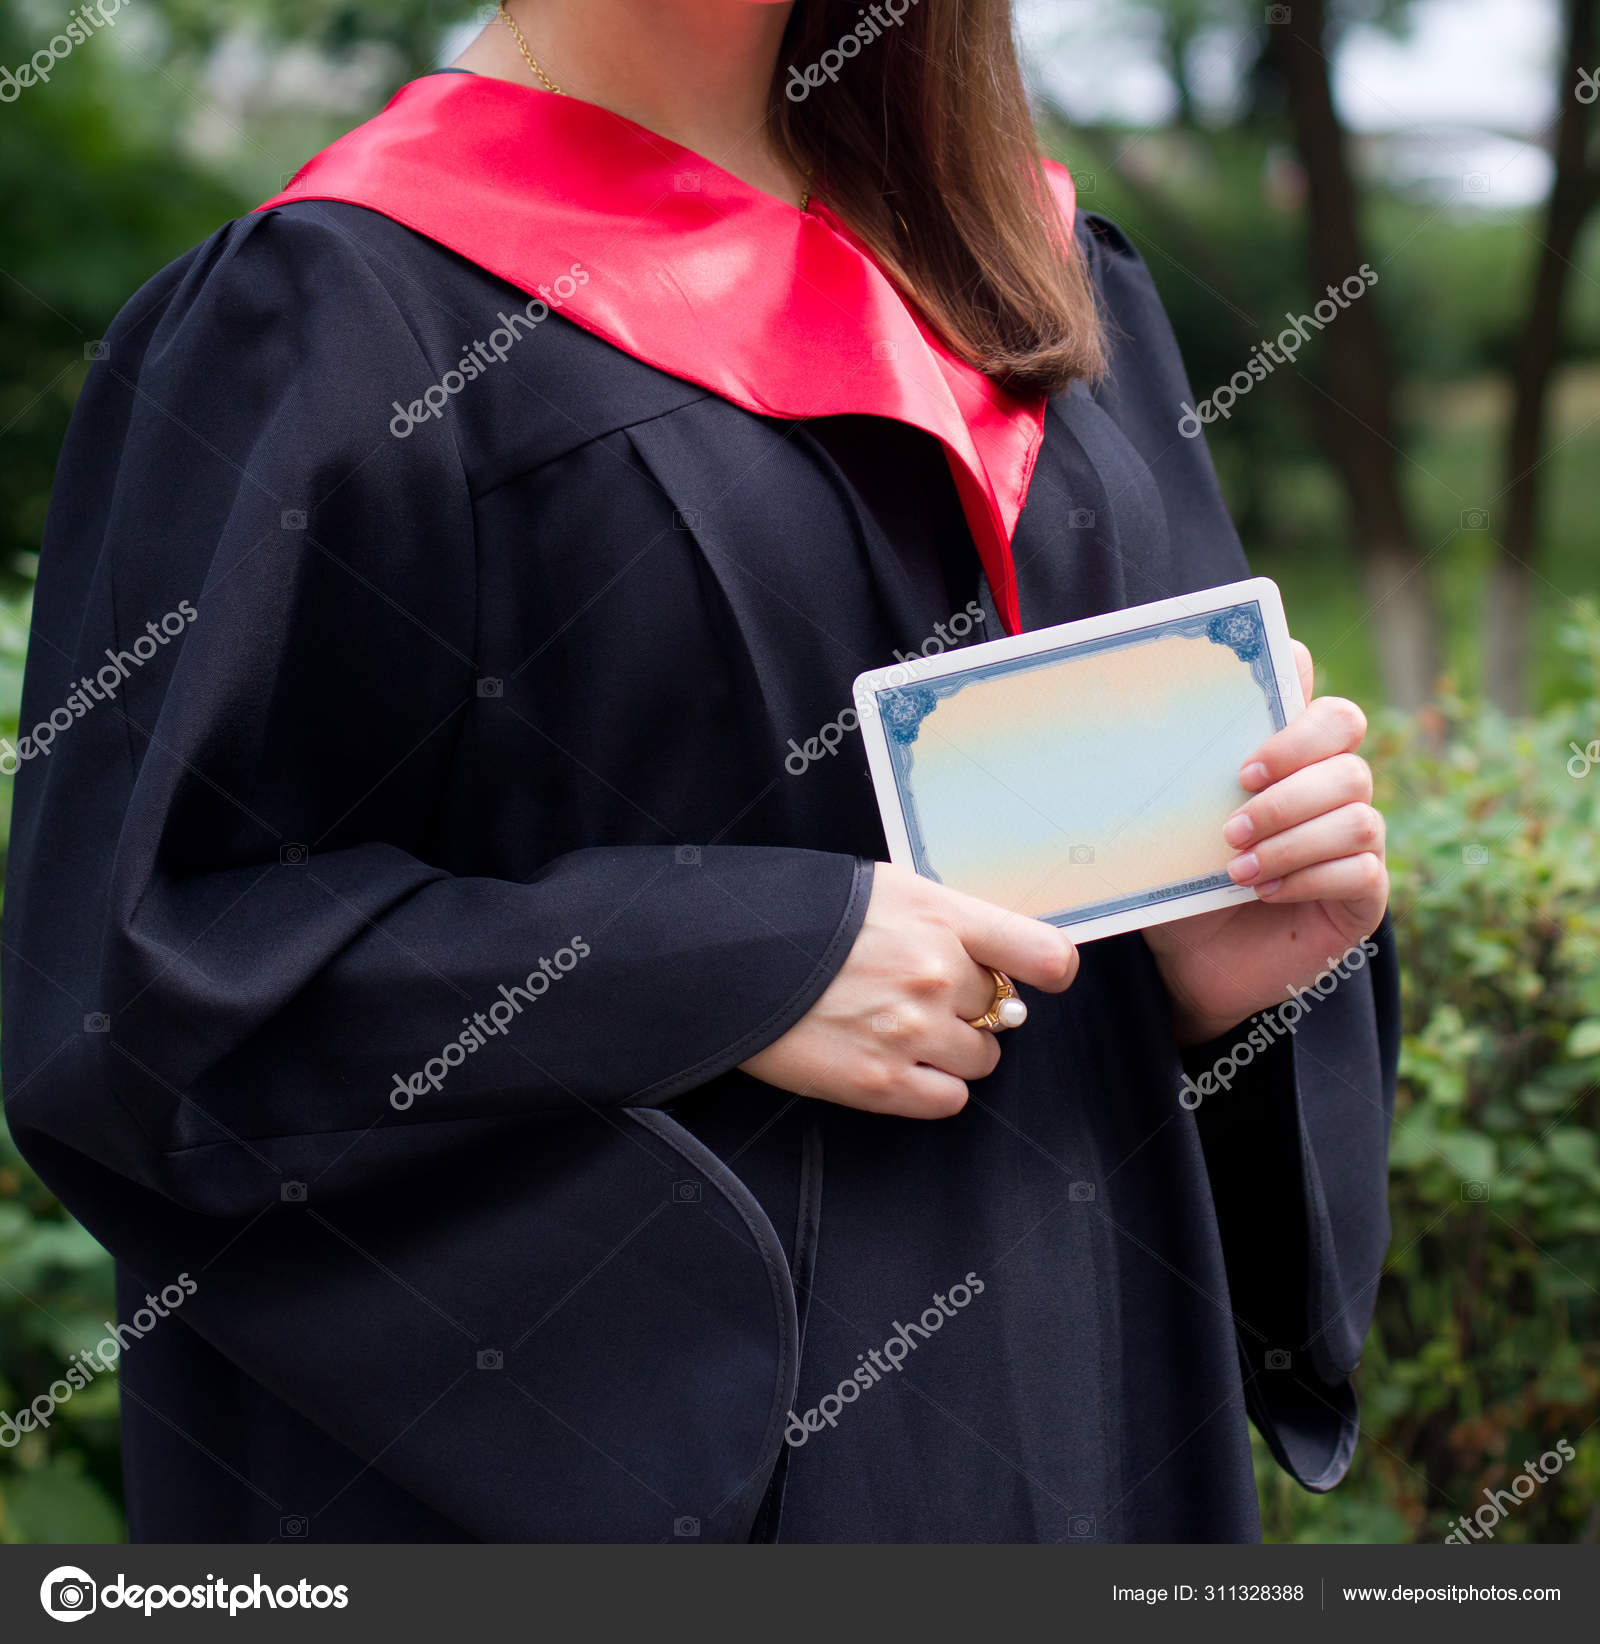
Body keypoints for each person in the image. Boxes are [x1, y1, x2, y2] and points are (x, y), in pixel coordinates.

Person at [1, 0, 1396, 1543]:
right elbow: (143, 1001)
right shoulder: (330, 318)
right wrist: (720, 962)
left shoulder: (1043, 283)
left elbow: (1182, 902)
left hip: (1097, 1411)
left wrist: (1234, 984)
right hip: (673, 1484)